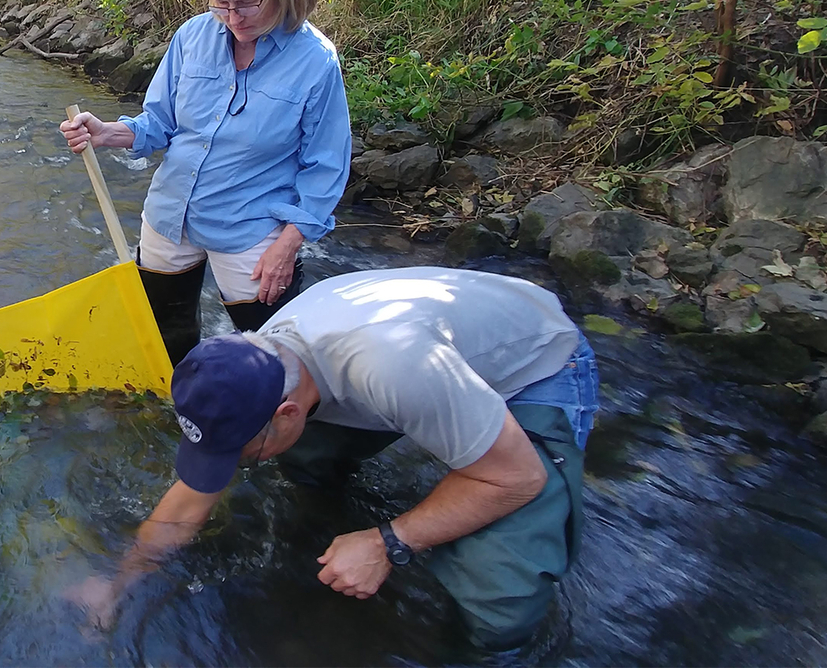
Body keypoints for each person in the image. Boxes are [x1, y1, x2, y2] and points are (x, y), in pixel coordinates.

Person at [68, 267, 599, 660]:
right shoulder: (257, 361)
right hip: (423, 361)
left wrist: (388, 541)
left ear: (288, 411)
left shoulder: (394, 368)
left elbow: (517, 478)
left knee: (498, 593)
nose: (235, 466)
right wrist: (117, 583)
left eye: (243, 452)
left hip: (536, 364)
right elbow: (189, 499)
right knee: (306, 460)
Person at [59, 0, 351, 366]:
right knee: (165, 336)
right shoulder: (192, 36)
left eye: (246, 4)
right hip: (169, 215)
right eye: (219, 5)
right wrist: (107, 133)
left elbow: (327, 165)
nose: (232, 18)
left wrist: (290, 242)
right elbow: (159, 122)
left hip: (253, 230)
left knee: (275, 358)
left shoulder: (315, 61)